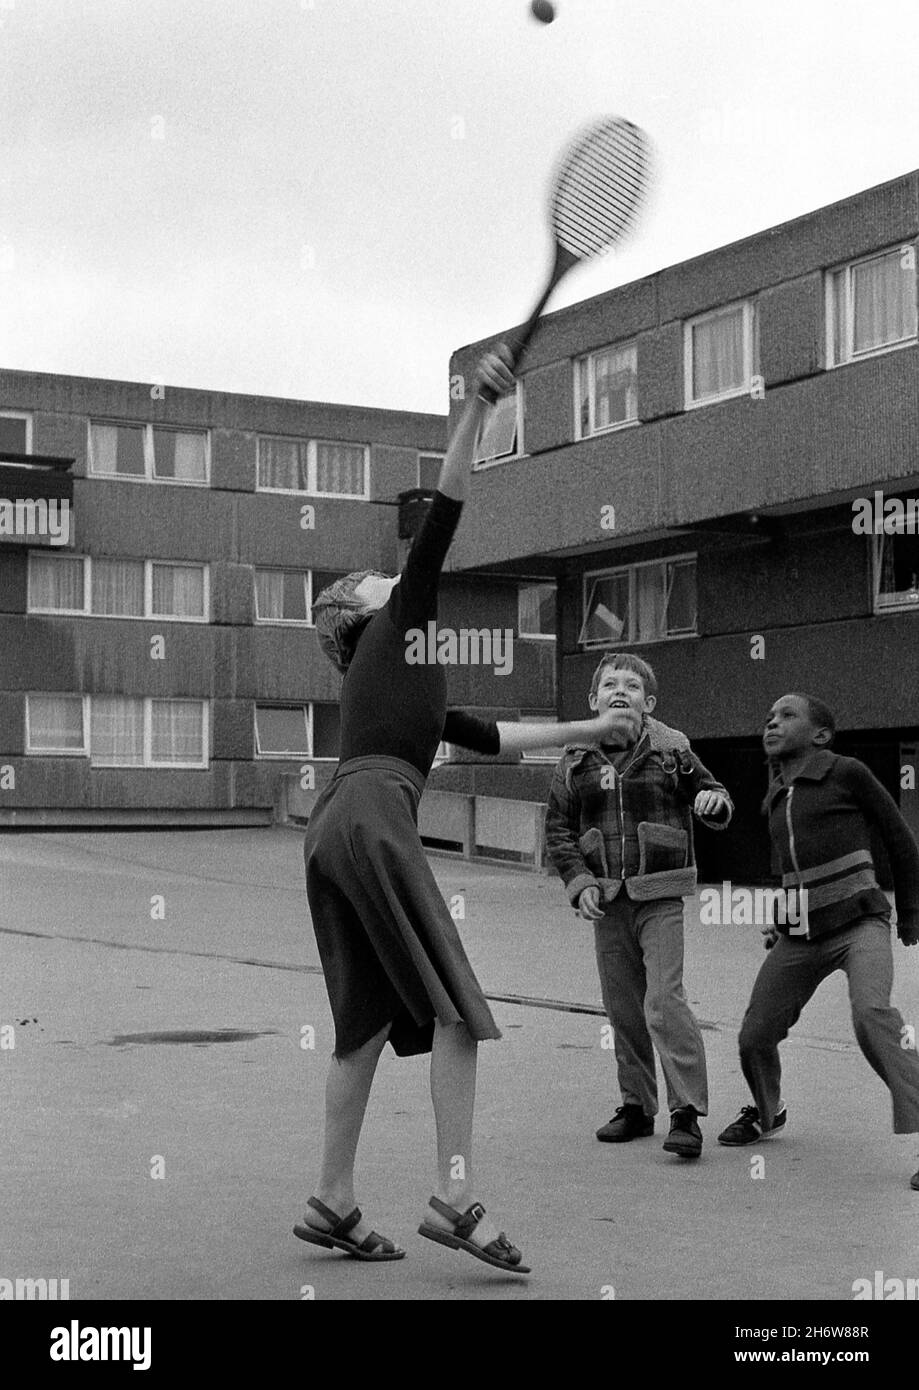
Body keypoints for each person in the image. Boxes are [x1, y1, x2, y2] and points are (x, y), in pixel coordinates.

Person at [293, 348, 637, 1275]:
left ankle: (333, 1196)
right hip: (372, 818)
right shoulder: (395, 627)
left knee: (362, 1027)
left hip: (335, 829)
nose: (388, 579)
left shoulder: (394, 679)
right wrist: (474, 415)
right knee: (456, 1014)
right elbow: (442, 516)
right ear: (362, 613)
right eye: (376, 582)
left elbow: (490, 736)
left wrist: (591, 725)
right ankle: (454, 1196)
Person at [717, 693, 919, 1191]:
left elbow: (901, 839)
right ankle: (769, 1112)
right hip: (802, 936)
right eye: (768, 717)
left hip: (859, 925)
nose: (772, 722)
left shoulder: (846, 772)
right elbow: (790, 873)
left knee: (872, 1015)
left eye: (787, 716)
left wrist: (911, 914)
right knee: (754, 1036)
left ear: (821, 735)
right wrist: (781, 919)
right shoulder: (776, 796)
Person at [544, 652, 732, 1159]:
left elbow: (713, 792)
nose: (619, 690)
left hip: (660, 892)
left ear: (648, 703)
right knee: (623, 1006)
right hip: (607, 899)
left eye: (631, 685)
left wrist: (714, 803)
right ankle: (636, 1105)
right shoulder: (574, 759)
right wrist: (579, 881)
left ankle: (686, 1111)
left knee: (663, 1000)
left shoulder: (672, 750)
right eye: (609, 684)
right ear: (594, 700)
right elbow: (558, 831)